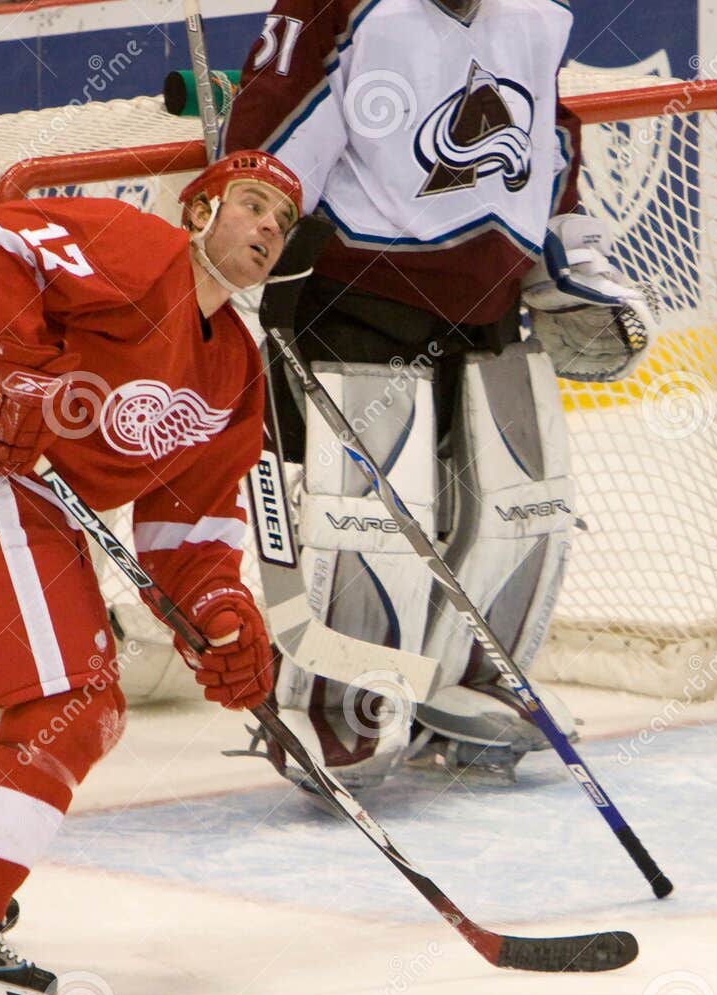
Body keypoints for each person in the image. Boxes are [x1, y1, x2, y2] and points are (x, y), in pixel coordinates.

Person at [0, 150, 302, 995]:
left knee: (74, 696)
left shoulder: (235, 371)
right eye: (251, 204)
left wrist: (219, 613)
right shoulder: (136, 248)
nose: (266, 227)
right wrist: (14, 366)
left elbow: (192, 526)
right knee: (74, 697)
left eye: (282, 222)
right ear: (198, 211)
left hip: (28, 495)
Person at [223, 0, 656, 792]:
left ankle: (472, 677)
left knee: (524, 503)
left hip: (490, 298)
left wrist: (565, 250)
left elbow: (547, 134)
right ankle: (336, 706)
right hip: (358, 294)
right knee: (374, 524)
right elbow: (269, 131)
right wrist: (253, 233)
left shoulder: (532, 12)